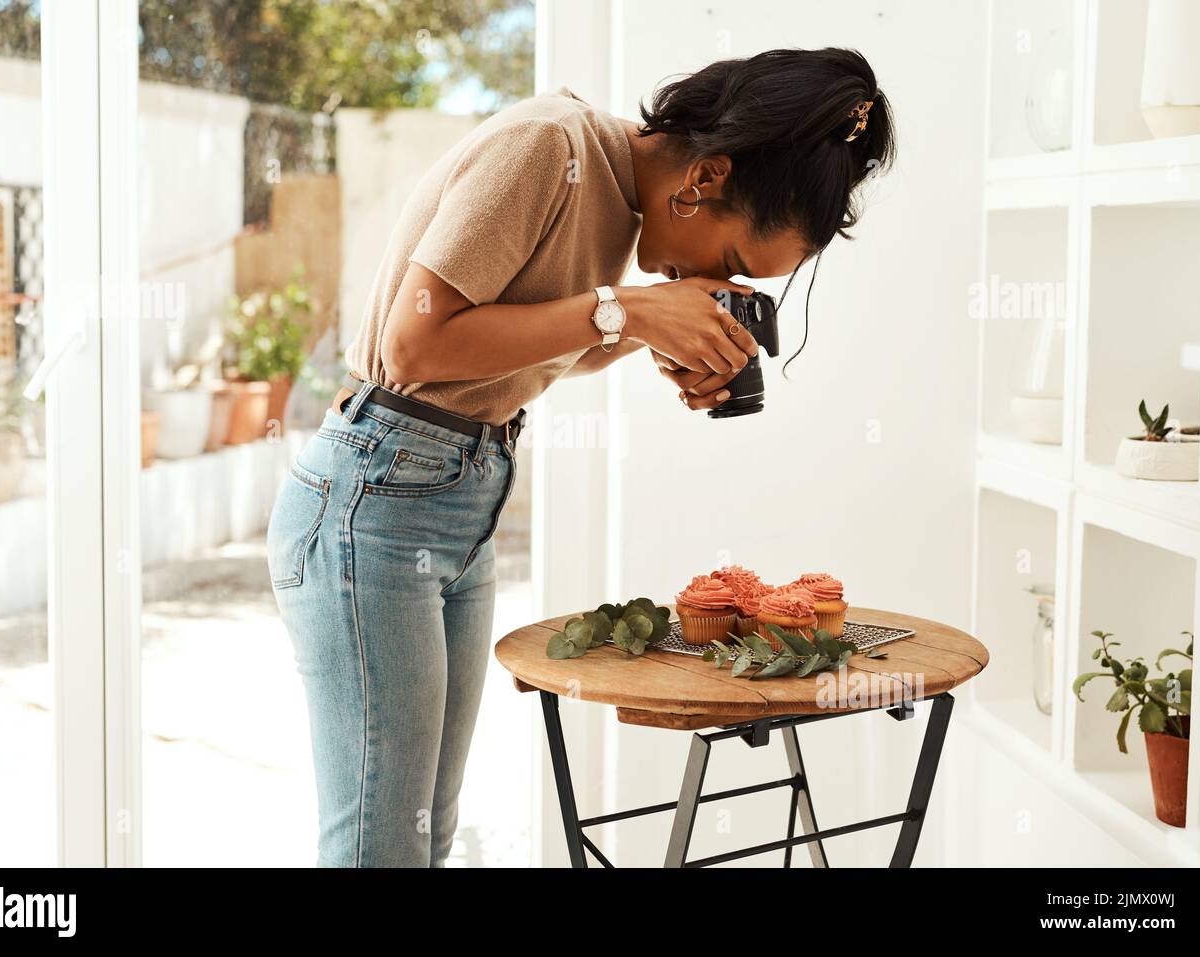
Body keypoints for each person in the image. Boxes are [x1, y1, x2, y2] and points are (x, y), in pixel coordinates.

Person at [266, 47, 895, 867]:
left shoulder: (614, 199)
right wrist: (626, 309)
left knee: (424, 832)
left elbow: (528, 341)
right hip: (375, 497)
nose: (719, 282)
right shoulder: (550, 149)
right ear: (704, 178)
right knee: (378, 845)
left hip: (455, 499)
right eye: (733, 264)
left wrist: (651, 329)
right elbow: (414, 343)